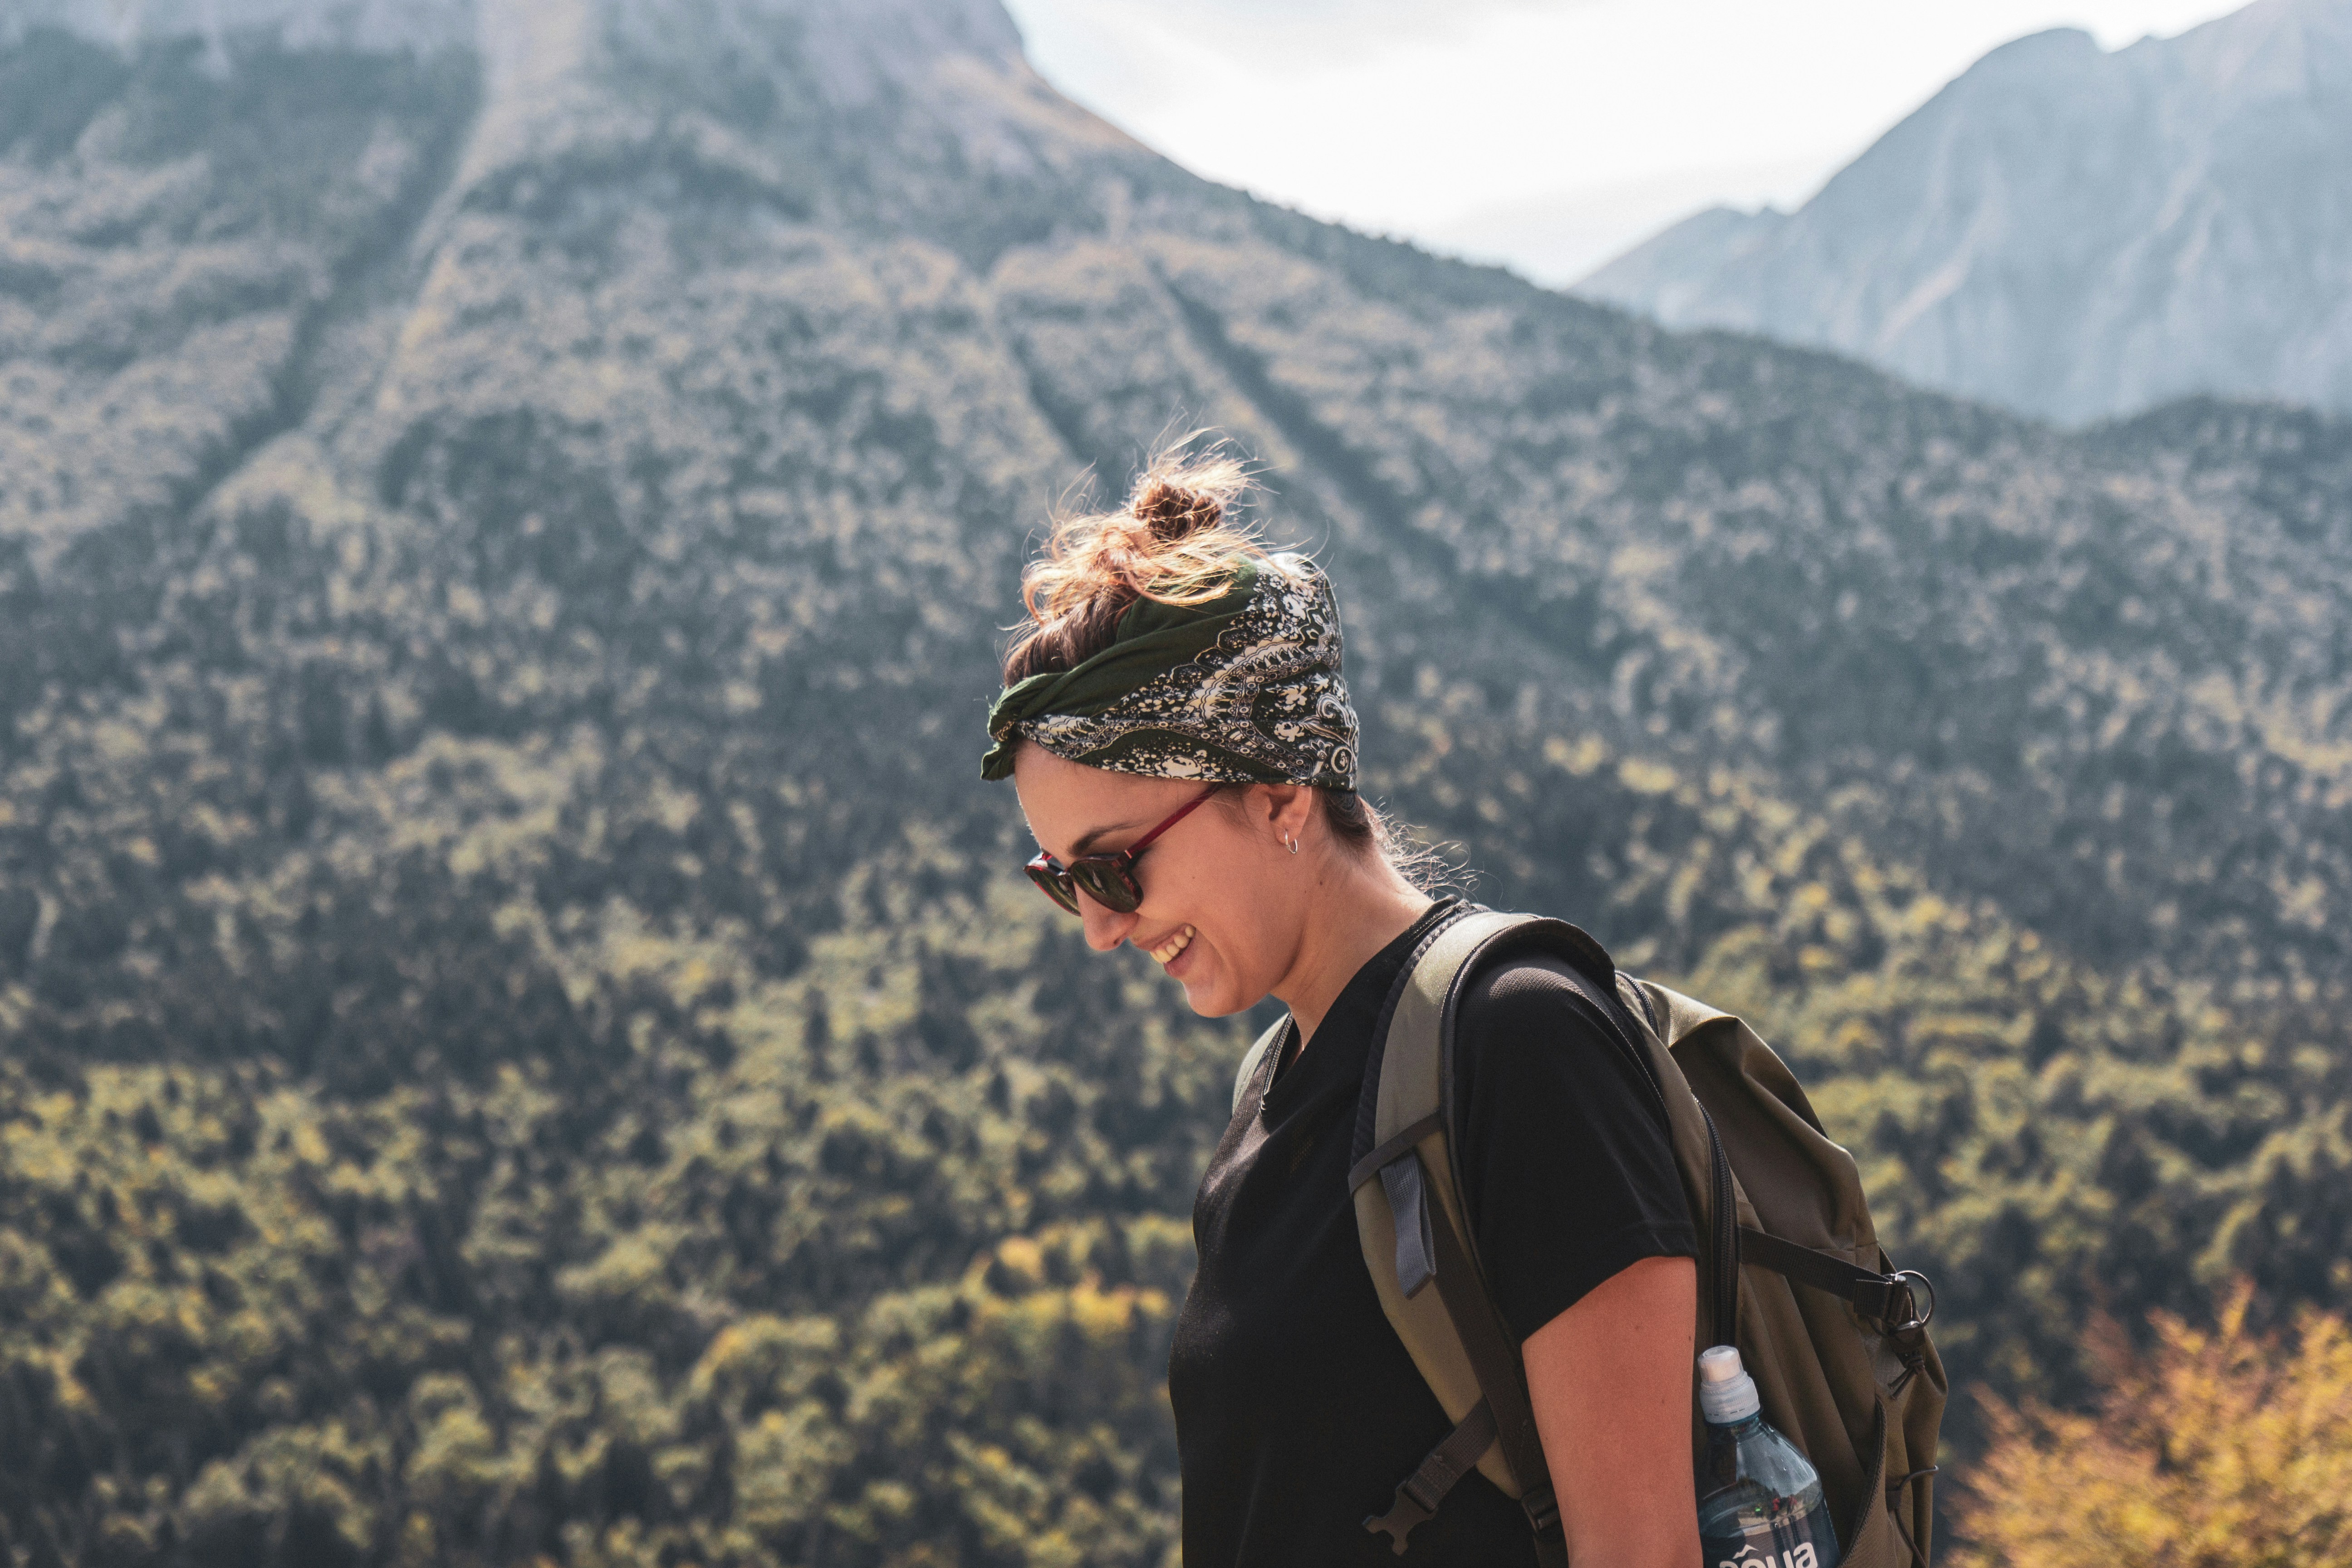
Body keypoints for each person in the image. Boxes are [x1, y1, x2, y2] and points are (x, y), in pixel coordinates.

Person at [980, 444, 1701, 1567]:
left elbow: (1642, 1552)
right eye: (1061, 880)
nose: (1099, 926)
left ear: (1279, 794)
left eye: (1115, 868)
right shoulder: (1272, 1090)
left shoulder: (1521, 1040)